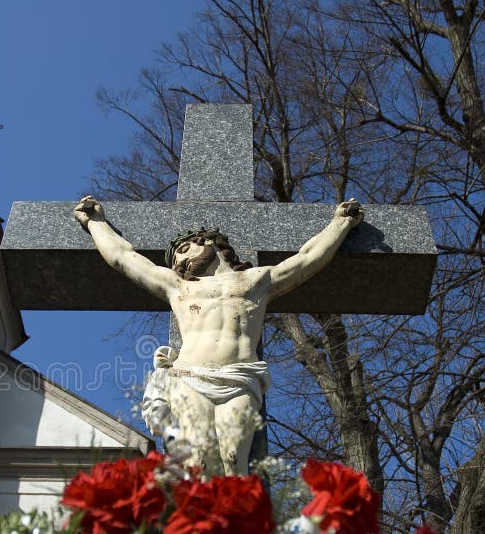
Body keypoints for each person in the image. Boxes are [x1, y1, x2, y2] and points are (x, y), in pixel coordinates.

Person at [74, 195, 364, 475]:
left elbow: (307, 259)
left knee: (233, 459)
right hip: (190, 376)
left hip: (239, 377)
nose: (179, 262)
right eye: (175, 259)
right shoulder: (178, 286)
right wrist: (95, 222)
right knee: (196, 462)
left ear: (210, 243)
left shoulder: (256, 281)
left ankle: (235, 523)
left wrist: (340, 223)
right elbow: (124, 258)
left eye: (185, 251)